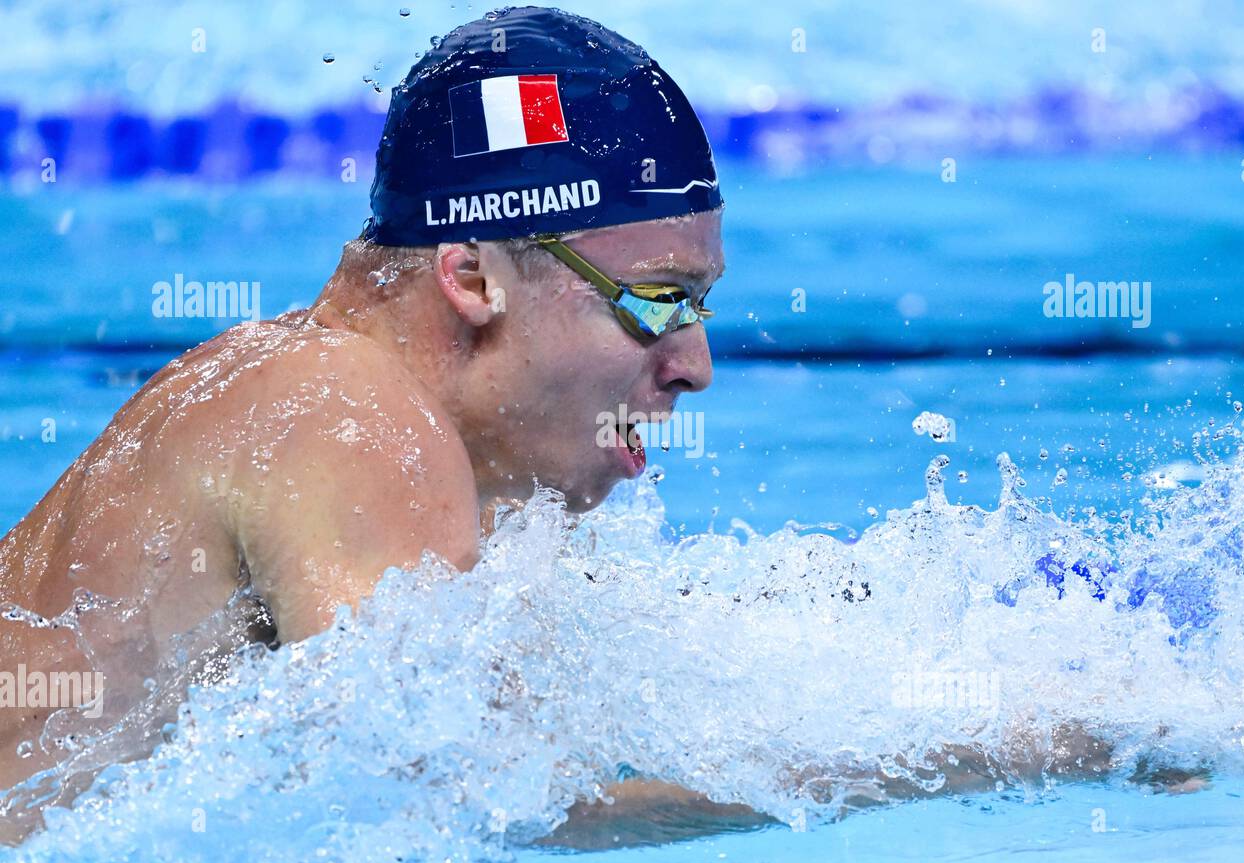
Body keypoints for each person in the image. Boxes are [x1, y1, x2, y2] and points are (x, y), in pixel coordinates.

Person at [0, 6, 725, 795]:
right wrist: (838, 782)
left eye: (700, 305)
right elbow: (427, 798)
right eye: (658, 299)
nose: (695, 365)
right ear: (477, 279)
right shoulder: (348, 412)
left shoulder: (425, 454)